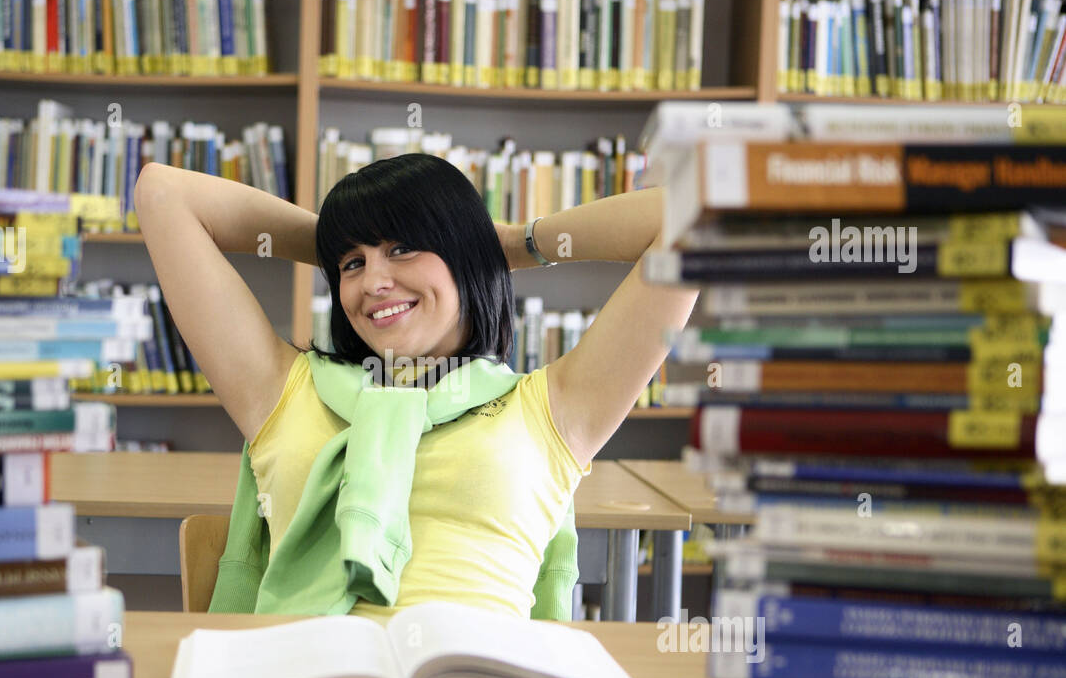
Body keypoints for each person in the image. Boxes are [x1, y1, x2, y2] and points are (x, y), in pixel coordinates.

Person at [134, 152, 698, 620]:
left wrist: (501, 245)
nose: (374, 282)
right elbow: (163, 194)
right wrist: (334, 244)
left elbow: (691, 215)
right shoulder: (282, 388)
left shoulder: (555, 408)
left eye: (404, 248)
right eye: (352, 265)